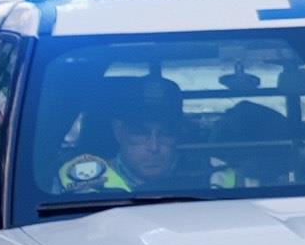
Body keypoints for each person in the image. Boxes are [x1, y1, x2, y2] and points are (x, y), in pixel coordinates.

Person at [53, 84, 202, 196]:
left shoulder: (213, 175)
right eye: (140, 133)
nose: (154, 146)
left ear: (179, 134)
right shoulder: (79, 176)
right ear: (119, 132)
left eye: (166, 133)